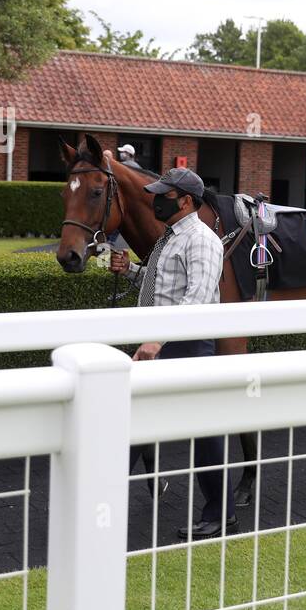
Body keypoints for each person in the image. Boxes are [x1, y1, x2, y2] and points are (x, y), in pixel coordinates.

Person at [109, 167, 236, 540]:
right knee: (134, 423)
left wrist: (156, 341)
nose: (155, 200)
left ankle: (220, 515)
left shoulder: (201, 240)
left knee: (202, 433)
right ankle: (100, 503)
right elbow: (164, 289)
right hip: (165, 343)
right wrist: (131, 270)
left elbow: (196, 298)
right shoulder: (171, 237)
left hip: (187, 346)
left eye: (163, 195)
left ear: (184, 201)